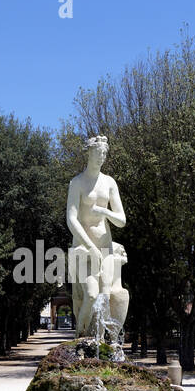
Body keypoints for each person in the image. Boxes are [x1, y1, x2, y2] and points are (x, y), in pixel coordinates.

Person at [65, 135, 129, 339]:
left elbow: (121, 220)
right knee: (91, 295)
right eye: (98, 152)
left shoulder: (109, 183)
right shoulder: (77, 183)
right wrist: (89, 245)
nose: (101, 157)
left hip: (105, 247)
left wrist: (105, 212)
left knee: (105, 295)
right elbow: (71, 219)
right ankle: (80, 337)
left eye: (104, 153)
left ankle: (100, 342)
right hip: (84, 248)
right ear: (89, 153)